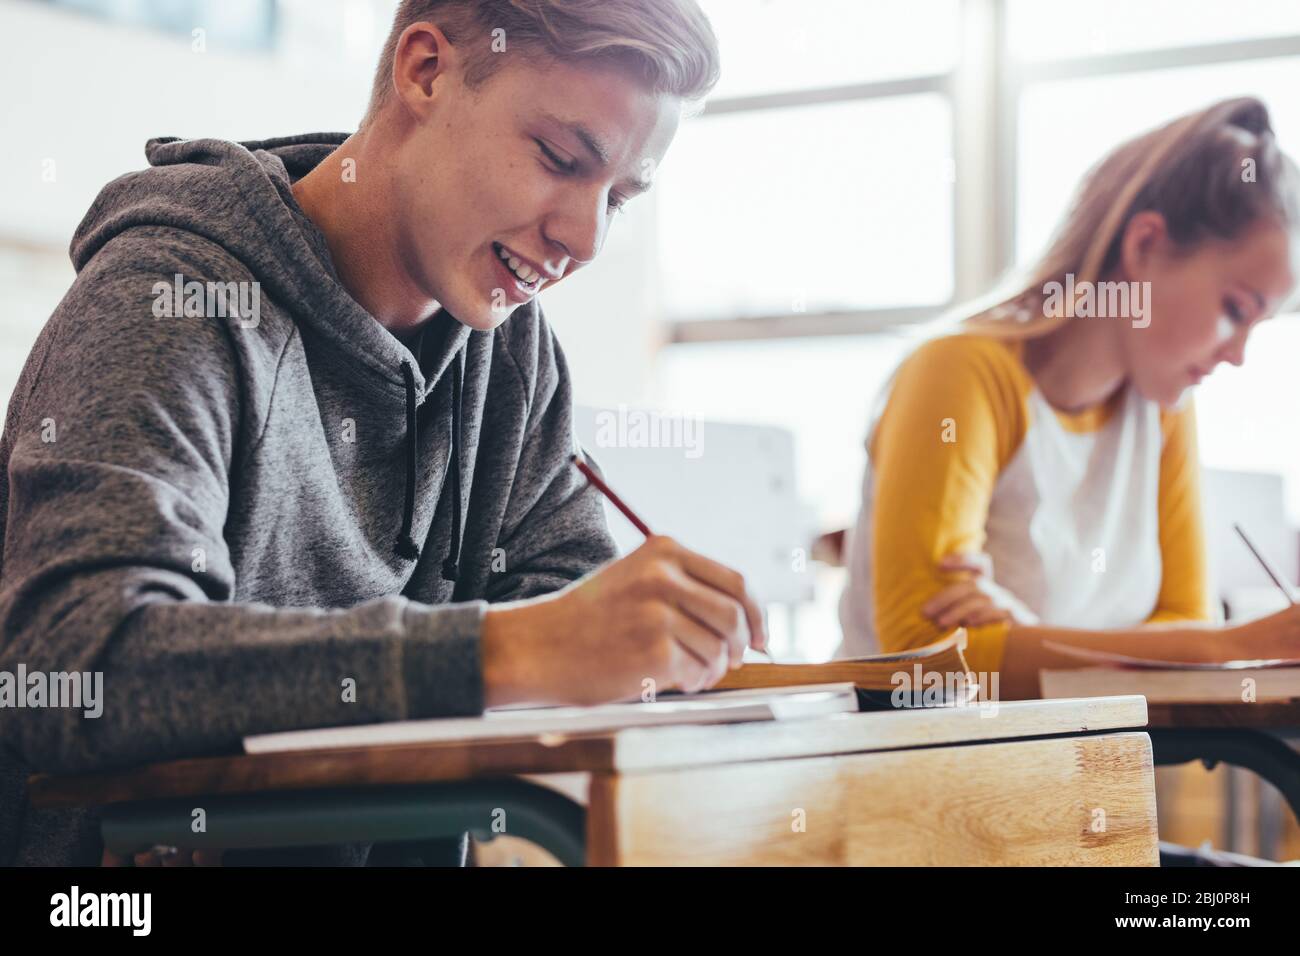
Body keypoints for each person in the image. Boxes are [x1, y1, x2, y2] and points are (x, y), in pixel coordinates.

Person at [0, 0, 765, 867]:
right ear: (426, 71)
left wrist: (657, 645)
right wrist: (515, 651)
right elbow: (80, 669)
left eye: (619, 200)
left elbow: (565, 608)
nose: (584, 239)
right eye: (560, 158)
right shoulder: (170, 297)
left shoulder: (509, 352)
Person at [838, 98, 1300, 701]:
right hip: (911, 772)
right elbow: (926, 657)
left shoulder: (1164, 406)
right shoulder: (960, 373)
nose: (1237, 354)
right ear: (1146, 245)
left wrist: (1026, 640)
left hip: (1079, 769)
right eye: (1235, 310)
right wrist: (1231, 647)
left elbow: (1183, 620)